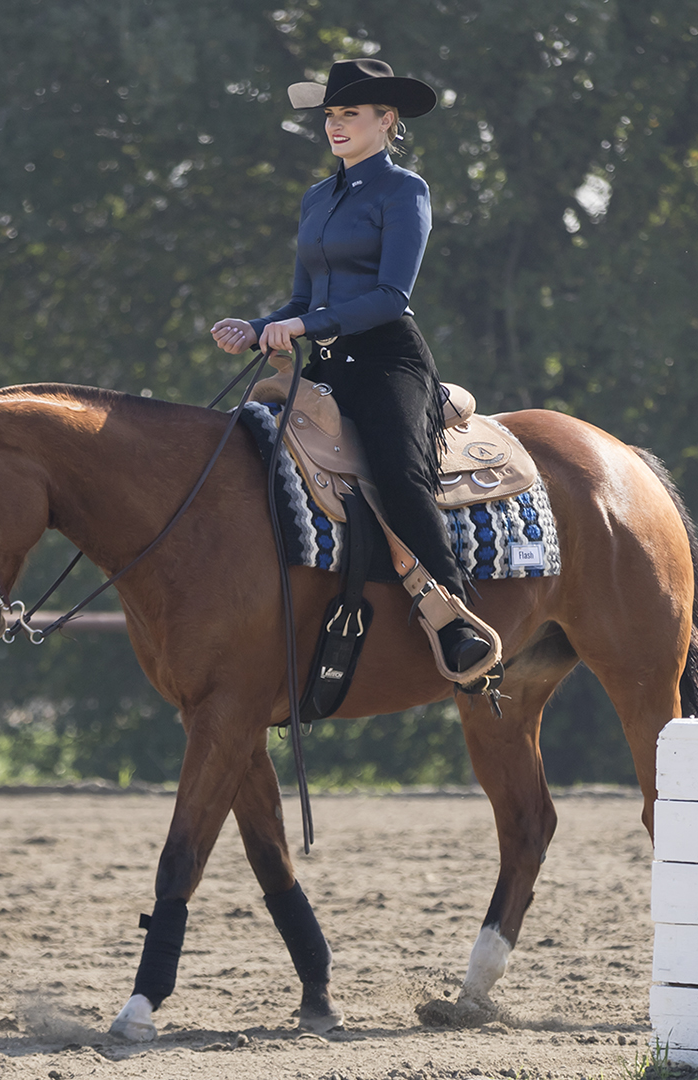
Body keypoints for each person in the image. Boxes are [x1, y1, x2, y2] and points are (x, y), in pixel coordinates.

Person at [210, 57, 496, 684]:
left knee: (397, 472)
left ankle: (457, 621)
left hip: (388, 360)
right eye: (331, 115)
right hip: (328, 367)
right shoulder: (317, 197)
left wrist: (305, 327)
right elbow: (298, 299)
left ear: (386, 121)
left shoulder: (405, 191)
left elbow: (392, 295)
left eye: (351, 114)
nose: (335, 126)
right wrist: (258, 327)